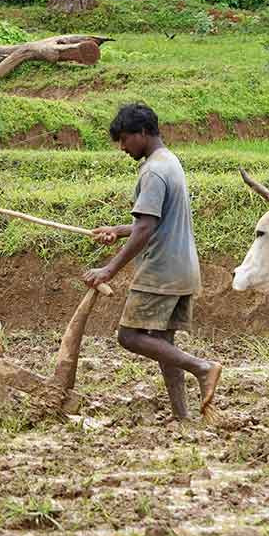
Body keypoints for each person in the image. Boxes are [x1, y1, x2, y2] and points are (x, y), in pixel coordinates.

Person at [83, 103, 223, 421]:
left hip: (161, 270)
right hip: (181, 267)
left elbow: (146, 228)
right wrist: (119, 231)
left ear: (143, 133)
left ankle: (203, 368)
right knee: (162, 342)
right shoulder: (169, 162)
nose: (122, 147)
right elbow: (153, 222)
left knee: (129, 337)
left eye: (125, 139)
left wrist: (109, 269)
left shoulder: (153, 172)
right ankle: (181, 415)